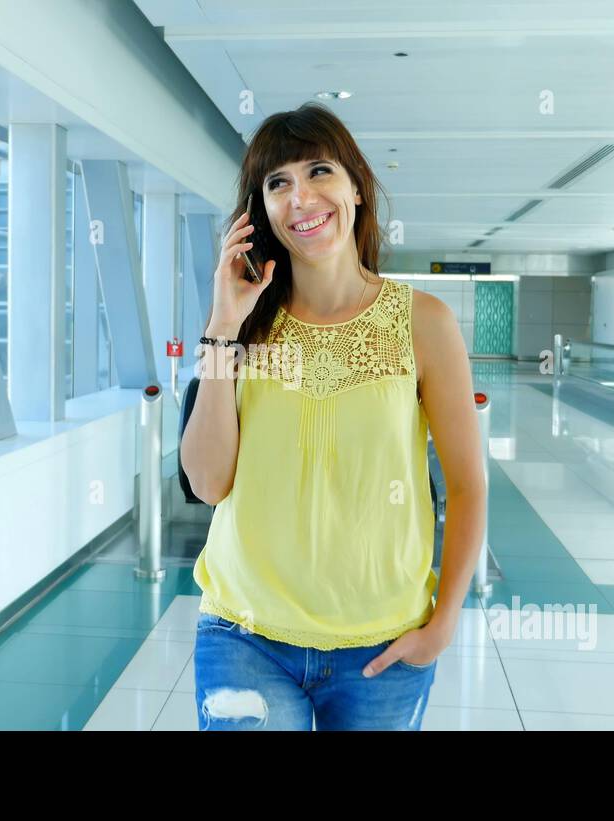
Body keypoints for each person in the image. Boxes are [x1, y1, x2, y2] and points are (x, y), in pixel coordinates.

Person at [180, 102, 487, 731]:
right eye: (278, 183)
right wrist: (221, 328)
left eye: (319, 171)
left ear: (356, 187)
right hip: (246, 633)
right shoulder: (239, 327)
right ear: (259, 211)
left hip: (383, 642)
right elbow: (208, 484)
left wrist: (444, 622)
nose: (301, 197)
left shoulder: (422, 322)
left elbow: (467, 485)